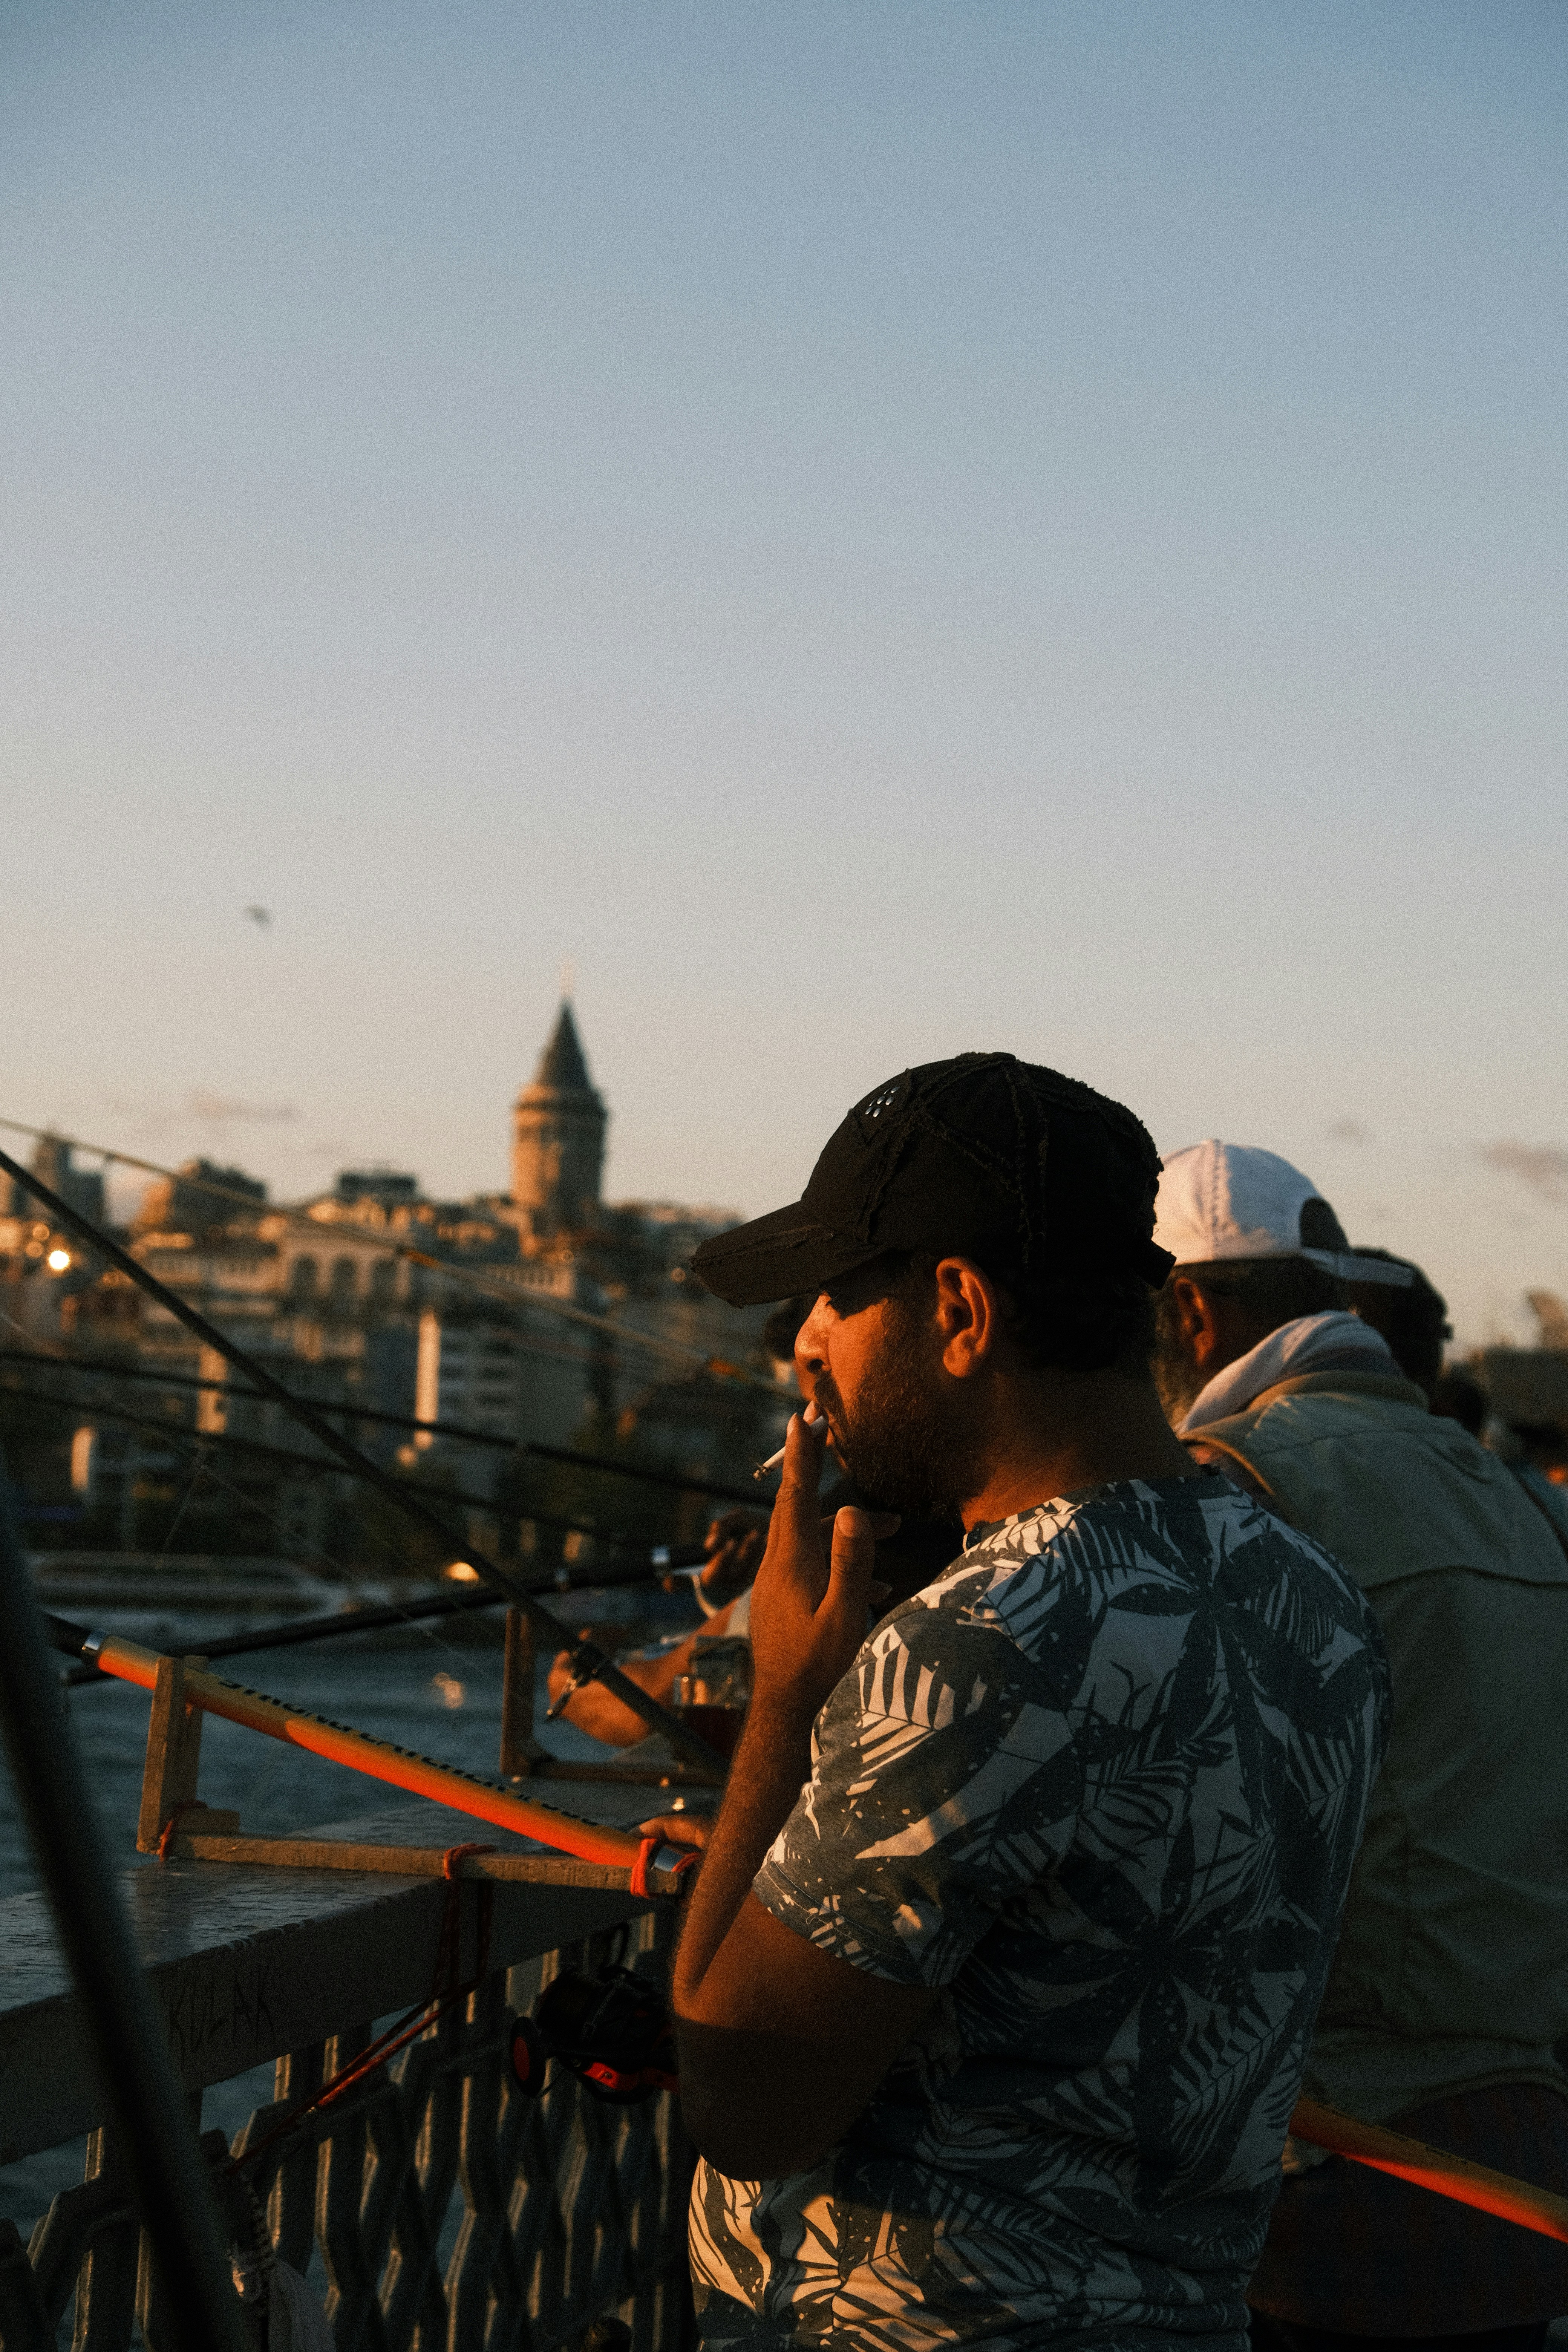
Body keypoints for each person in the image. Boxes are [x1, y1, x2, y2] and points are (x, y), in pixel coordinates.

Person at [646, 1055, 1388, 2350]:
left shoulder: (982, 1643)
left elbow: (743, 2102)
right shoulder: (1310, 1594)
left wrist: (787, 1697)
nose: (809, 1346)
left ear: (960, 1310)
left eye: (837, 1298)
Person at [1149, 1139, 1568, 2352]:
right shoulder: (1517, 1500)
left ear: (1190, 1312)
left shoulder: (1227, 1488)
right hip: (1513, 2177)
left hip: (1320, 2191)